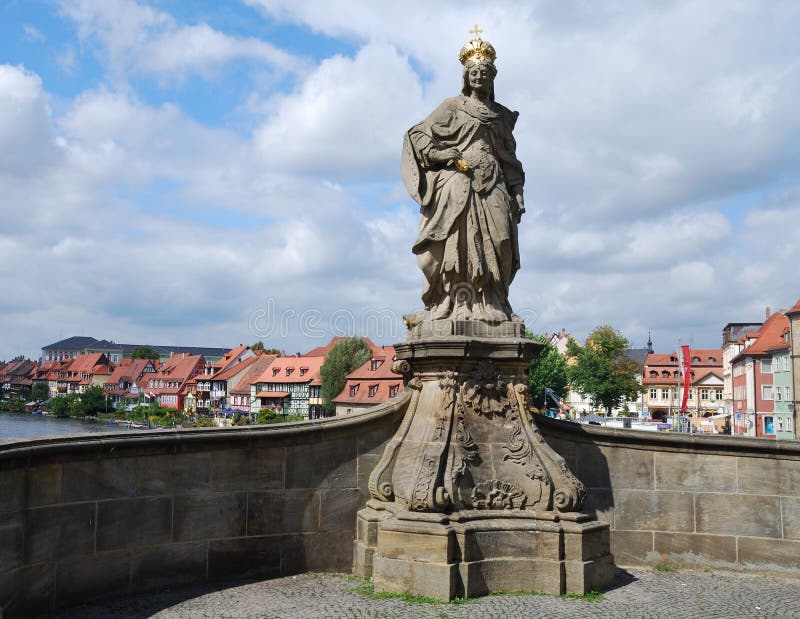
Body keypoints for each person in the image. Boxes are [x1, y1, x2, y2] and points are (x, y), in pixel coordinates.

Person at [402, 27, 524, 324]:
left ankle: (493, 300)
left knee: (502, 239)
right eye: (474, 71)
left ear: (493, 76)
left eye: (485, 71)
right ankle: (453, 301)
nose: (479, 76)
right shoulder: (452, 107)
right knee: (456, 239)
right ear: (465, 76)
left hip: (493, 180)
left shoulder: (502, 116)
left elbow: (509, 157)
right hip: (459, 180)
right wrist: (445, 155)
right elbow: (417, 134)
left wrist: (517, 191)